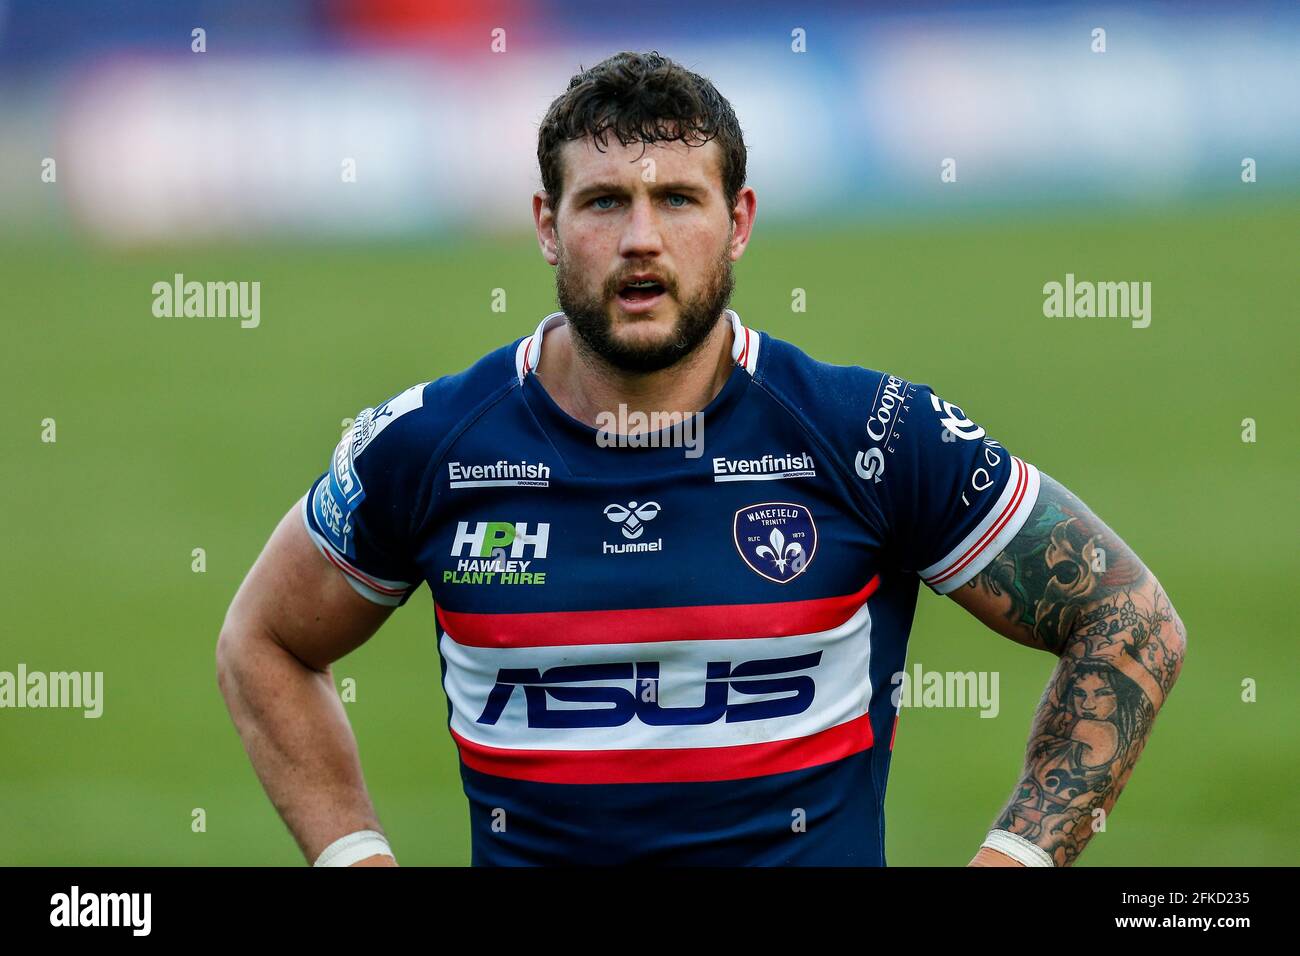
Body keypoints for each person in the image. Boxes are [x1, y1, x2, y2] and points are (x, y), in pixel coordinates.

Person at [217, 50, 1186, 867]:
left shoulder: (870, 434)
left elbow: (1129, 622)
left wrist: (1013, 861)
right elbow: (263, 642)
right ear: (547, 225)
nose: (641, 239)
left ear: (738, 221)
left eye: (677, 197)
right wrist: (354, 856)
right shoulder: (424, 445)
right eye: (602, 202)